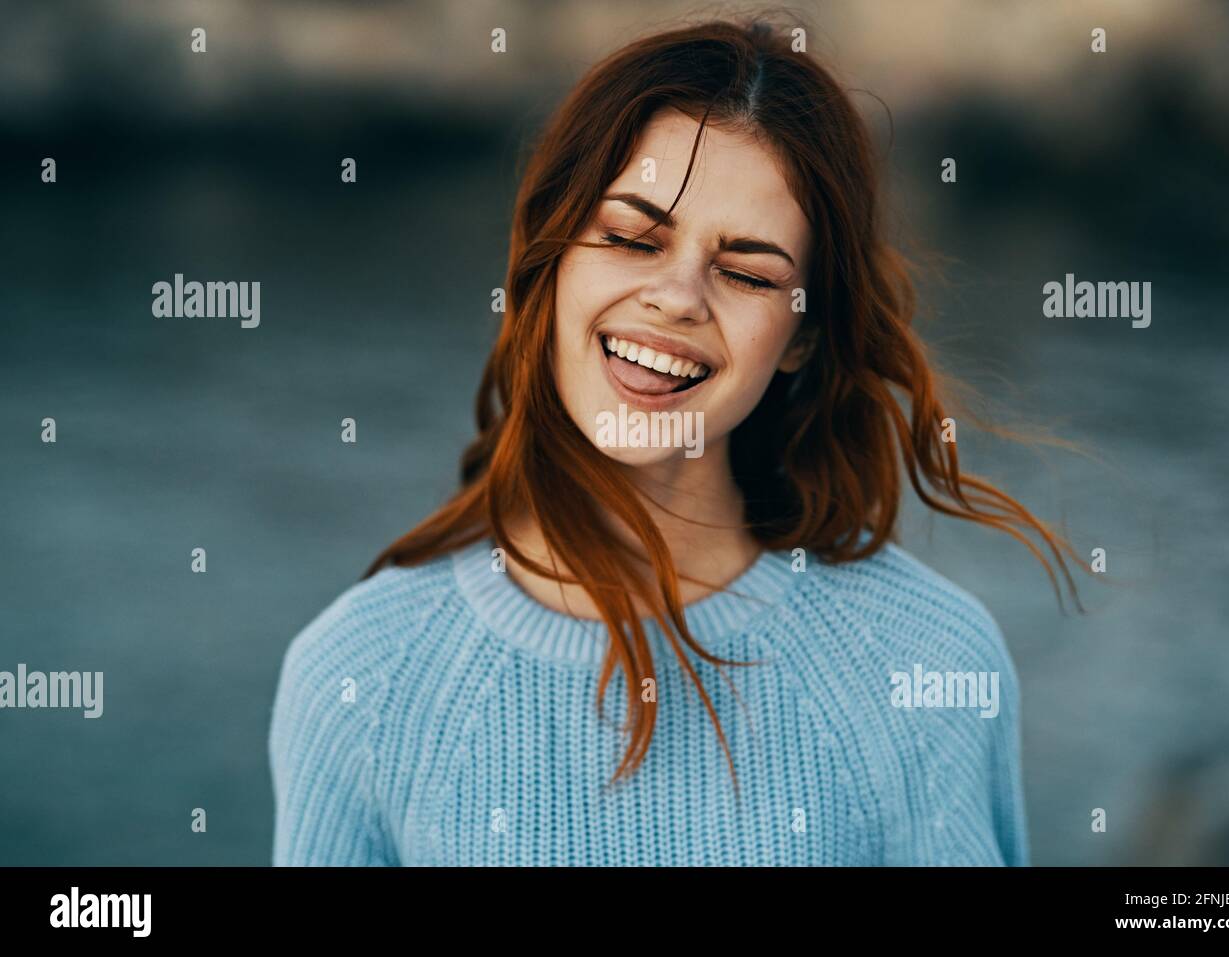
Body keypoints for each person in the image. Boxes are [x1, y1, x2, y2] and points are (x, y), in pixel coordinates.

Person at [270, 15, 1082, 866]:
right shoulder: (358, 675)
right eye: (630, 237)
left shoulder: (927, 662)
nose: (678, 296)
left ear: (802, 337)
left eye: (747, 272)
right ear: (551, 261)